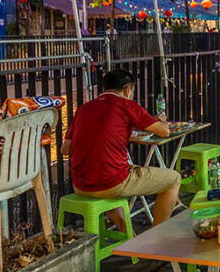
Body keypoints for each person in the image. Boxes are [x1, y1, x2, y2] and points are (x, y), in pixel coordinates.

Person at [63, 68, 177, 231]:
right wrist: (162, 121)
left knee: (108, 185)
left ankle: (129, 238)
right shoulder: (126, 105)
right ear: (128, 90)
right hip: (112, 183)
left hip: (81, 185)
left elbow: (65, 149)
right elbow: (164, 131)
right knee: (173, 179)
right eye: (132, 91)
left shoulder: (83, 109)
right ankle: (156, 237)